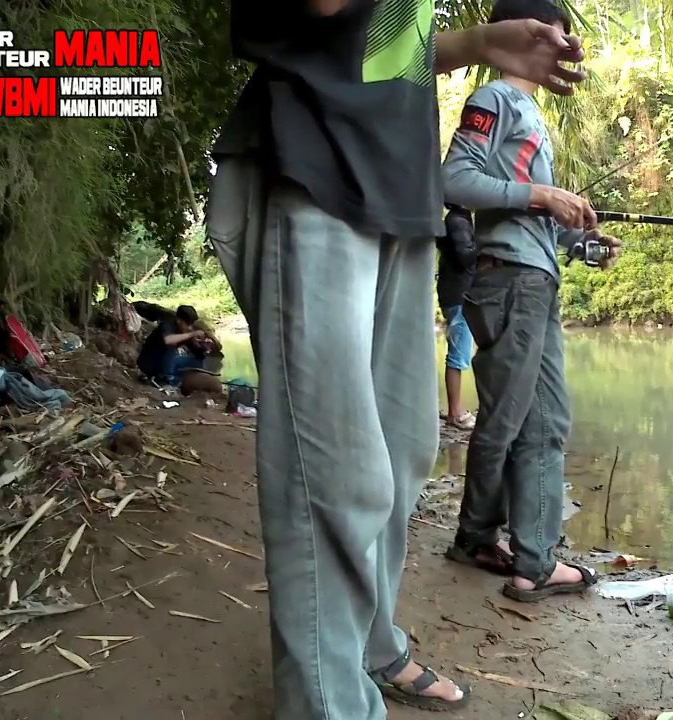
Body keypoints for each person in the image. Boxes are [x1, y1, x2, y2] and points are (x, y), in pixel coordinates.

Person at [204, 2, 588, 718]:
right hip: (316, 174)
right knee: (333, 476)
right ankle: (330, 702)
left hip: (398, 200)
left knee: (405, 451)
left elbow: (376, 51)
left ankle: (371, 648)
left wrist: (475, 43)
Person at [441, 0, 622, 602]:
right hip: (510, 282)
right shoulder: (494, 100)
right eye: (556, 38)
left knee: (544, 420)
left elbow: (533, 214)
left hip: (533, 279)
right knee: (512, 420)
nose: (564, 51)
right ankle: (494, 545)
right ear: (526, 34)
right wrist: (542, 195)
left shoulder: (528, 113)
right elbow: (456, 182)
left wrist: (583, 241)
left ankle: (529, 555)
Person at [437, 204, 478, 430]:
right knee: (458, 355)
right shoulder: (459, 221)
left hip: (454, 294)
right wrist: (486, 244)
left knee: (458, 353)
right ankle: (455, 413)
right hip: (460, 297)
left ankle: (456, 409)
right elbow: (465, 256)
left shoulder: (458, 220)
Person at [135, 304, 207, 385]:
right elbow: (168, 340)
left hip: (166, 363)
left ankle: (175, 377)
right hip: (150, 362)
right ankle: (167, 377)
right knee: (171, 348)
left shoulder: (186, 332)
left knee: (198, 362)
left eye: (191, 325)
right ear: (179, 320)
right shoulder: (168, 324)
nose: (190, 327)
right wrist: (191, 335)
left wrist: (203, 346)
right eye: (187, 324)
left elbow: (199, 353)